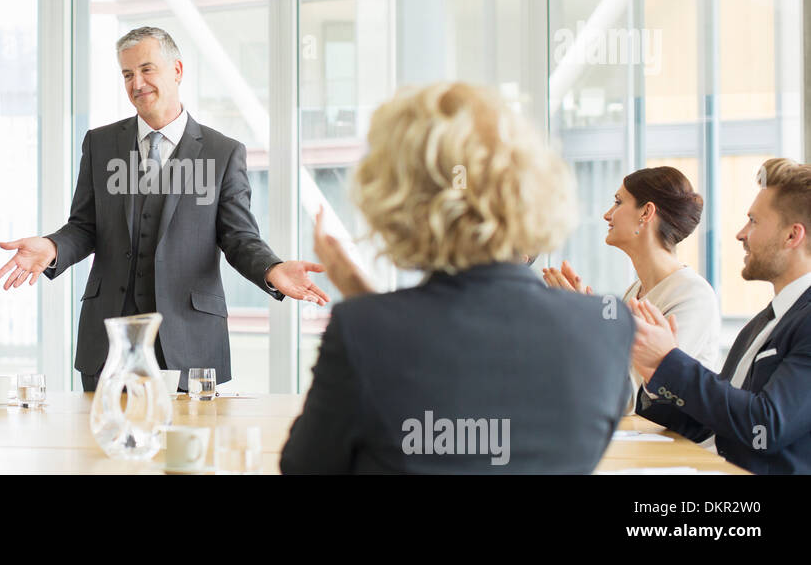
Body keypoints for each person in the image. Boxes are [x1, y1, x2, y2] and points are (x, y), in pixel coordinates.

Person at [281, 83, 634, 473]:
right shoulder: (608, 327)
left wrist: (365, 309)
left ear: (399, 202)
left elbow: (304, 467)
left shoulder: (362, 329)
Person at [0, 26, 328, 391]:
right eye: (127, 74)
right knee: (101, 445)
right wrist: (53, 246)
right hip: (108, 341)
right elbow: (85, 226)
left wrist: (272, 267)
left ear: (178, 71)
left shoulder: (223, 152)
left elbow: (239, 237)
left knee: (185, 447)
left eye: (147, 69)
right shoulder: (101, 144)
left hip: (189, 342)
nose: (137, 83)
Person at [630, 158, 811, 474]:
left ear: (792, 236)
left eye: (754, 221)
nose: (741, 234)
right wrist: (655, 375)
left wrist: (670, 361)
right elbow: (705, 424)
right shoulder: (761, 324)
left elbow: (765, 426)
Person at [541, 167, 722, 398]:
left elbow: (633, 393)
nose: (607, 214)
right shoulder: (635, 291)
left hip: (674, 435)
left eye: (618, 202)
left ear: (646, 212)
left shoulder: (693, 296)